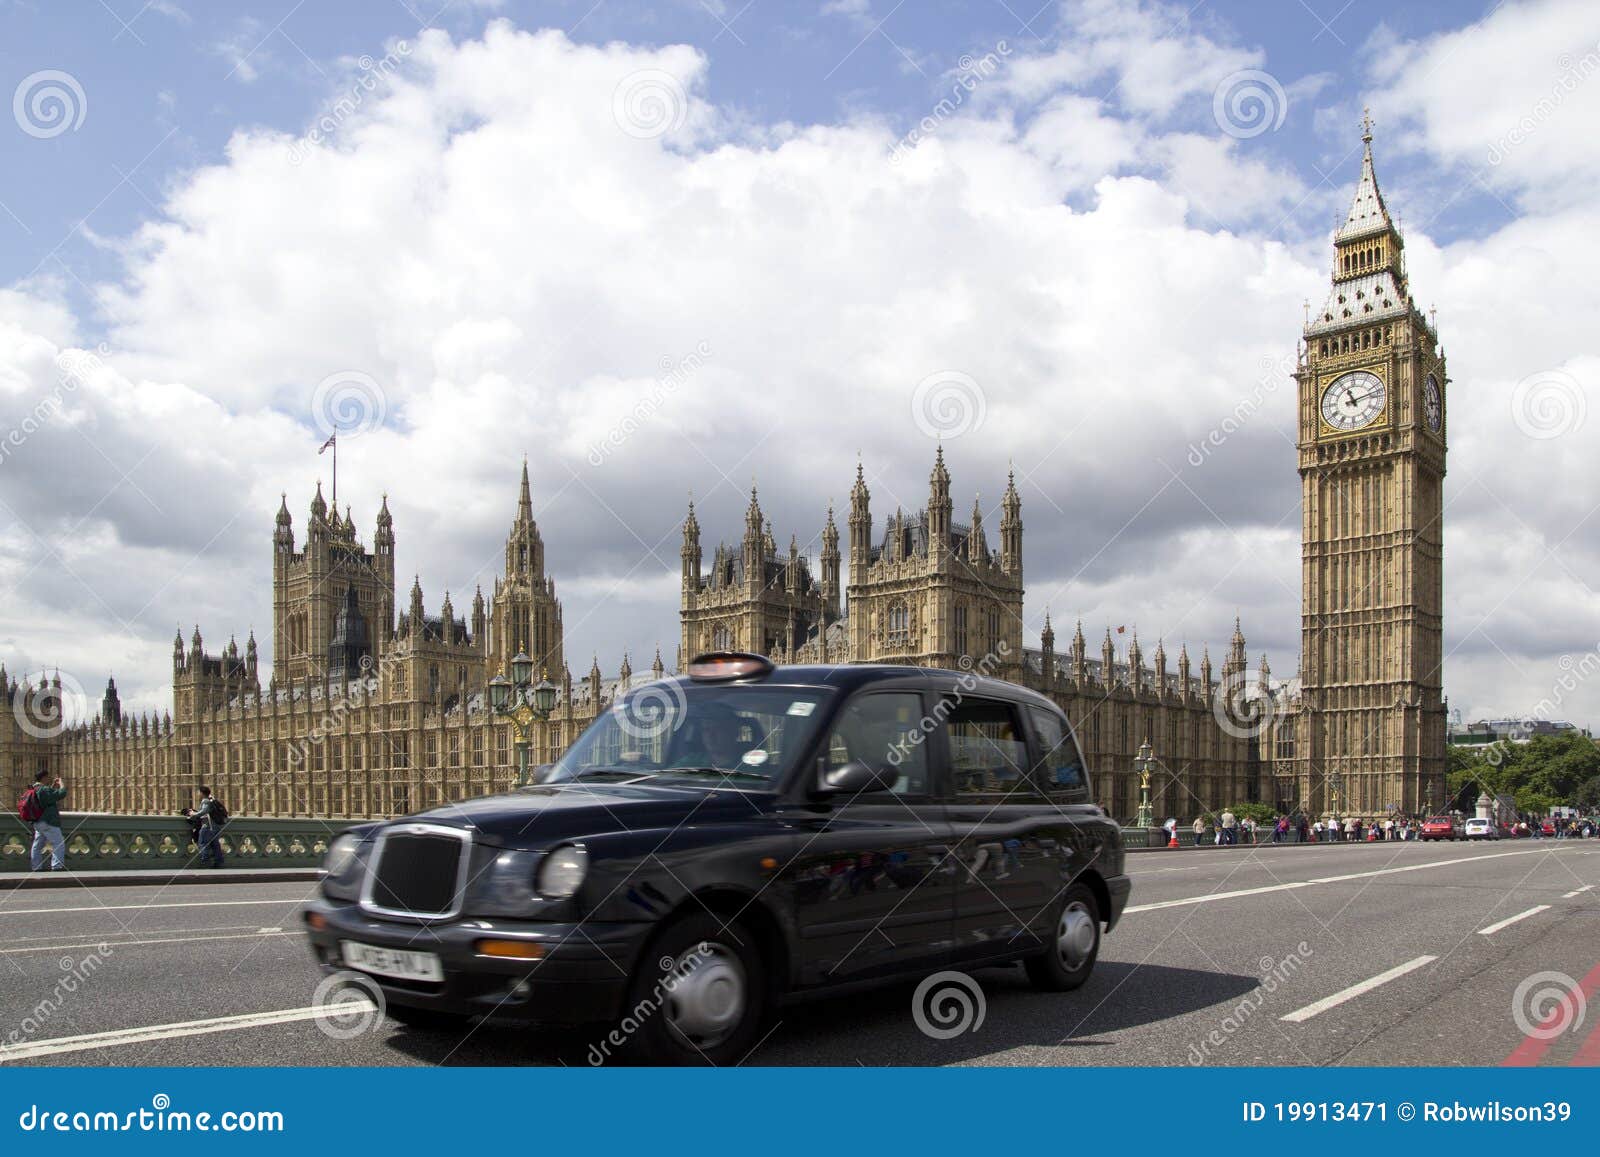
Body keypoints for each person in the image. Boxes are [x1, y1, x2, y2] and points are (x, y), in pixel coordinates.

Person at [24, 770, 68, 871]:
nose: (49, 778)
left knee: (37, 845)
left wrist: (52, 786)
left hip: (37, 821)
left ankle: (36, 866)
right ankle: (57, 866)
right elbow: (61, 793)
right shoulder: (43, 789)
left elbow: (45, 799)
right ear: (43, 778)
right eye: (48, 777)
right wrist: (61, 783)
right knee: (58, 843)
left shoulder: (34, 788)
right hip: (48, 821)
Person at [184, 785, 227, 868]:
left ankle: (205, 861)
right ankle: (218, 862)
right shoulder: (212, 800)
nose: (197, 794)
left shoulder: (205, 801)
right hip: (216, 826)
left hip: (208, 826)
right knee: (215, 844)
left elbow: (204, 811)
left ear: (201, 793)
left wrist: (193, 814)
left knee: (202, 842)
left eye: (198, 792)